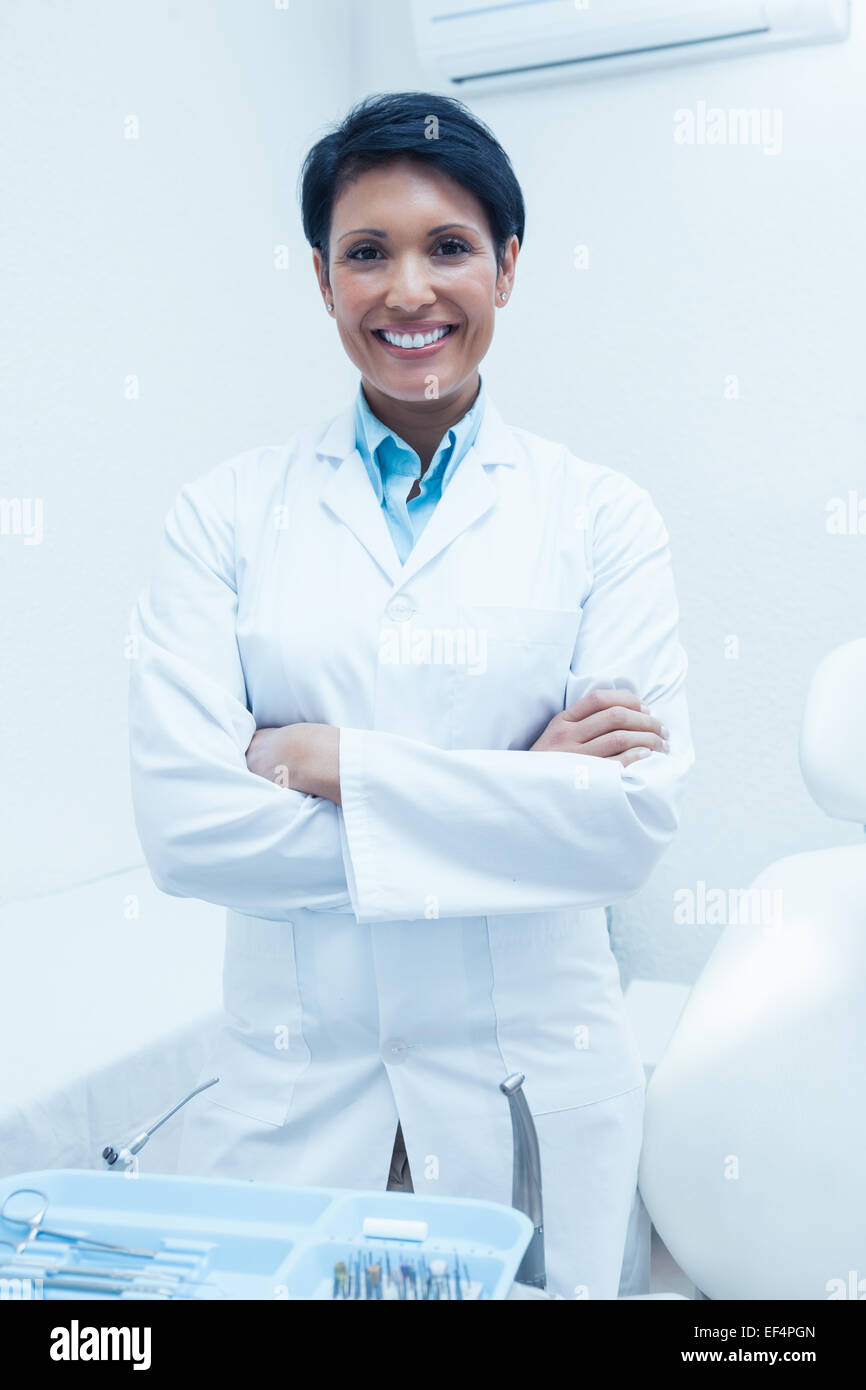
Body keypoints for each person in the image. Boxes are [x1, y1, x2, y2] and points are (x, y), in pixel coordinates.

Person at [128, 90, 695, 1300]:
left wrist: (332, 763)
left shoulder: (600, 518)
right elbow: (187, 828)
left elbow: (626, 826)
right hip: (295, 1110)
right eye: (365, 253)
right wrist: (520, 795)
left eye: (446, 247)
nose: (407, 291)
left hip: (526, 1101)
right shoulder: (220, 518)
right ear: (322, 280)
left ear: (507, 265)